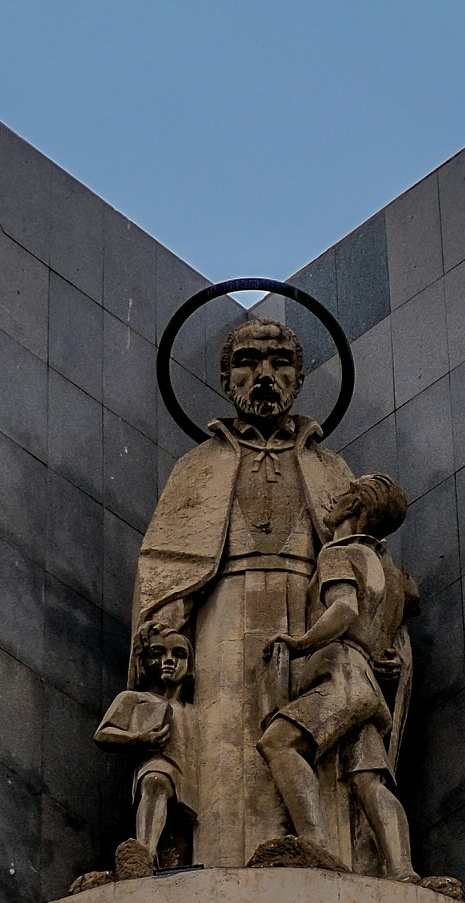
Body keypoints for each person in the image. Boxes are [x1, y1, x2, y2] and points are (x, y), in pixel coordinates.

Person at [124, 315, 356, 864]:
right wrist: (166, 621)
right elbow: (172, 560)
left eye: (279, 362)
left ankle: (320, 852)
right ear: (228, 379)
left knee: (306, 739)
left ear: (298, 377)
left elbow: (361, 555)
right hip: (221, 613)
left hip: (311, 610)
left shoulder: (329, 464)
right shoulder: (199, 465)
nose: (264, 375)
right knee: (220, 743)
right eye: (248, 362)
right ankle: (209, 856)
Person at [256, 473, 417, 879]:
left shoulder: (336, 554)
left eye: (342, 495)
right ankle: (402, 869)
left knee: (277, 743)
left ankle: (316, 844)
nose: (333, 501)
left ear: (353, 508)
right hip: (369, 689)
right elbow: (390, 640)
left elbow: (343, 610)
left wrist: (300, 642)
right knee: (369, 781)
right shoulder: (392, 575)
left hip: (341, 676)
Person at [91, 623, 191, 877]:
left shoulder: (194, 712)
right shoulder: (134, 698)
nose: (169, 661)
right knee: (155, 781)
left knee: (179, 836)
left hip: (191, 774)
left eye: (179, 655)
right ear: (146, 661)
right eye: (159, 654)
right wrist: (139, 739)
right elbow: (103, 733)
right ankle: (144, 854)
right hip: (158, 761)